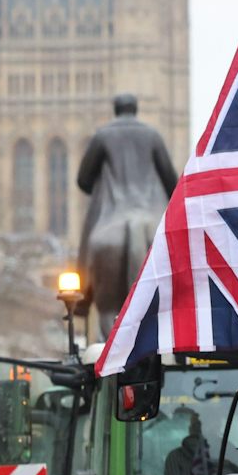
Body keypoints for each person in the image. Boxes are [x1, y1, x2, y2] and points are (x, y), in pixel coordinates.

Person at [76, 93, 178, 340]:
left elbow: (83, 180)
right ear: (135, 109)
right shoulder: (152, 135)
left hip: (112, 219)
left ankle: (82, 295)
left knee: (107, 306)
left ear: (115, 110)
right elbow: (172, 182)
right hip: (150, 220)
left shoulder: (102, 135)